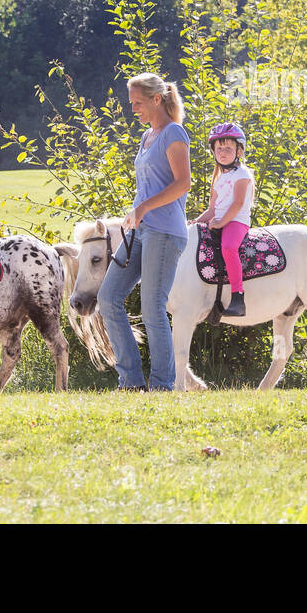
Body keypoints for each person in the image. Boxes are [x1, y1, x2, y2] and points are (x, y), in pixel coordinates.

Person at [96, 72, 192, 391]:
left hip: (165, 232)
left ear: (155, 99)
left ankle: (163, 385)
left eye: (138, 102)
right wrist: (136, 211)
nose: (133, 108)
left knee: (152, 307)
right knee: (108, 296)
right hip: (141, 229)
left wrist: (143, 207)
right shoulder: (147, 136)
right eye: (131, 103)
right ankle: (131, 380)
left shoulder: (173, 133)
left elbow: (183, 184)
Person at [194, 123, 255, 318]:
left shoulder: (242, 175)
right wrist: (194, 222)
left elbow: (237, 204)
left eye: (228, 148)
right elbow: (212, 209)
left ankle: (238, 297)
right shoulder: (219, 179)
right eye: (219, 148)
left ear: (239, 151)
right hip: (219, 220)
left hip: (236, 221)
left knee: (228, 247)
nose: (222, 152)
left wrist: (221, 223)